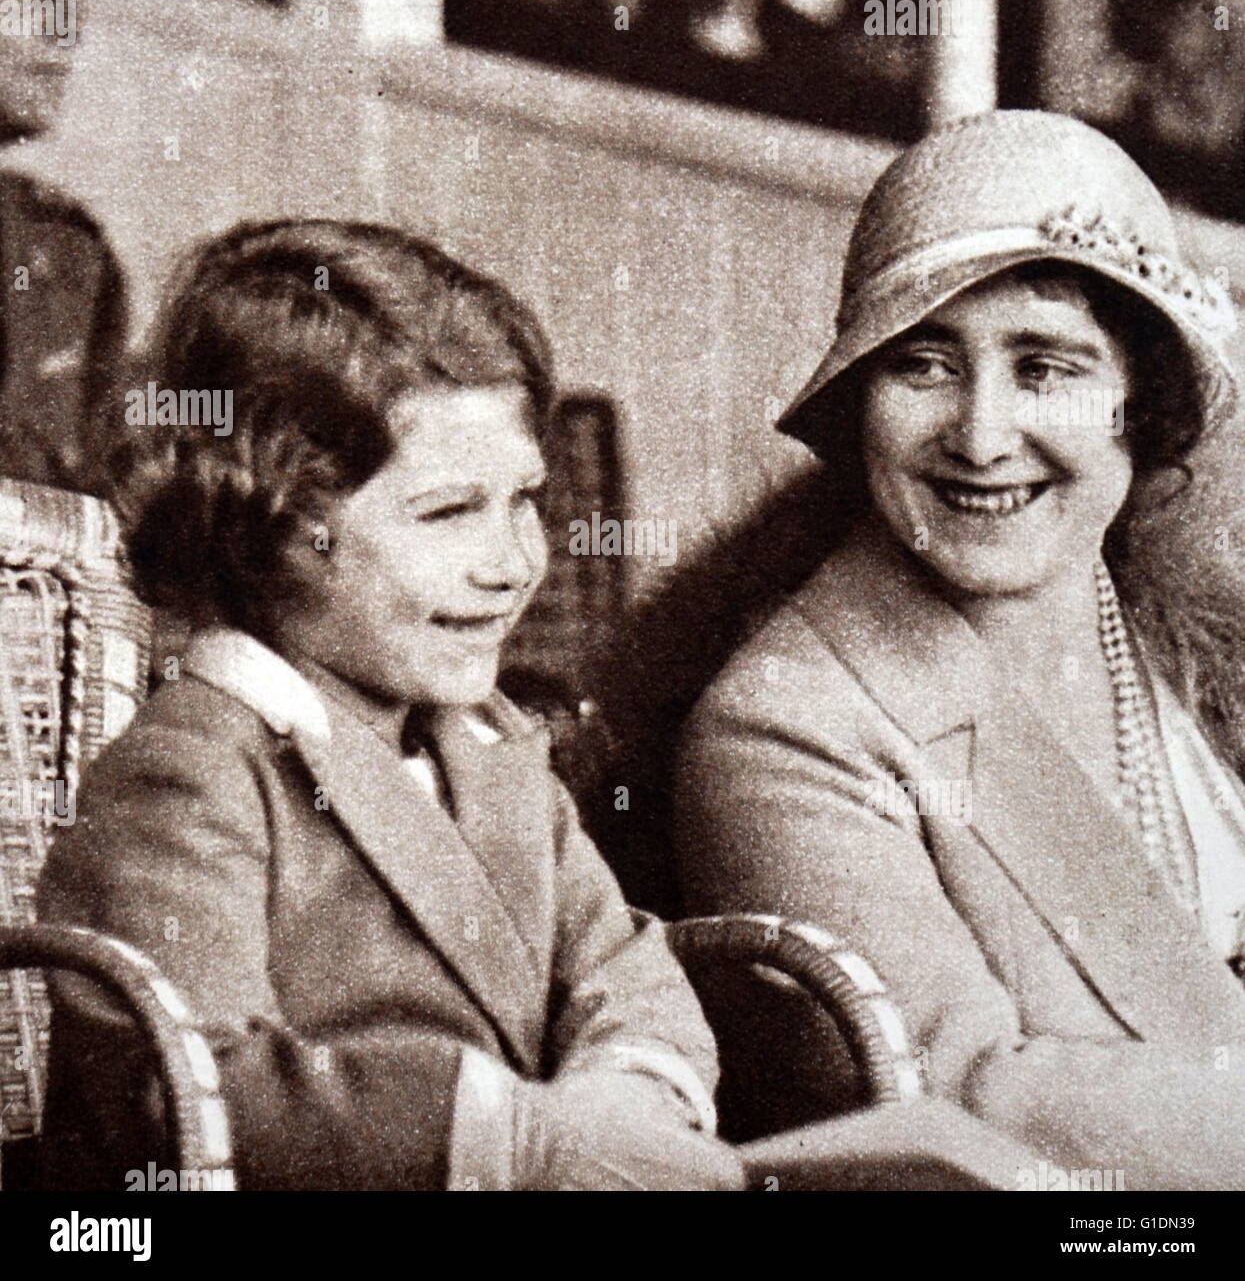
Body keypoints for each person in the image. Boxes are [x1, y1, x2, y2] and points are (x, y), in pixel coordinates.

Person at [38, 218, 743, 1192]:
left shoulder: (492, 745)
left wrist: (627, 1093)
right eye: (449, 512)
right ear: (266, 526)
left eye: (526, 499)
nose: (512, 564)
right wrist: (511, 1135)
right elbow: (192, 1088)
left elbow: (622, 965)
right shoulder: (193, 768)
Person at [676, 110, 1245, 1191]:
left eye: (1045, 368)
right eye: (925, 366)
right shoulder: (783, 725)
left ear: (1142, 402)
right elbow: (960, 1100)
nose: (982, 436)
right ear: (857, 406)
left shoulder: (1188, 631)